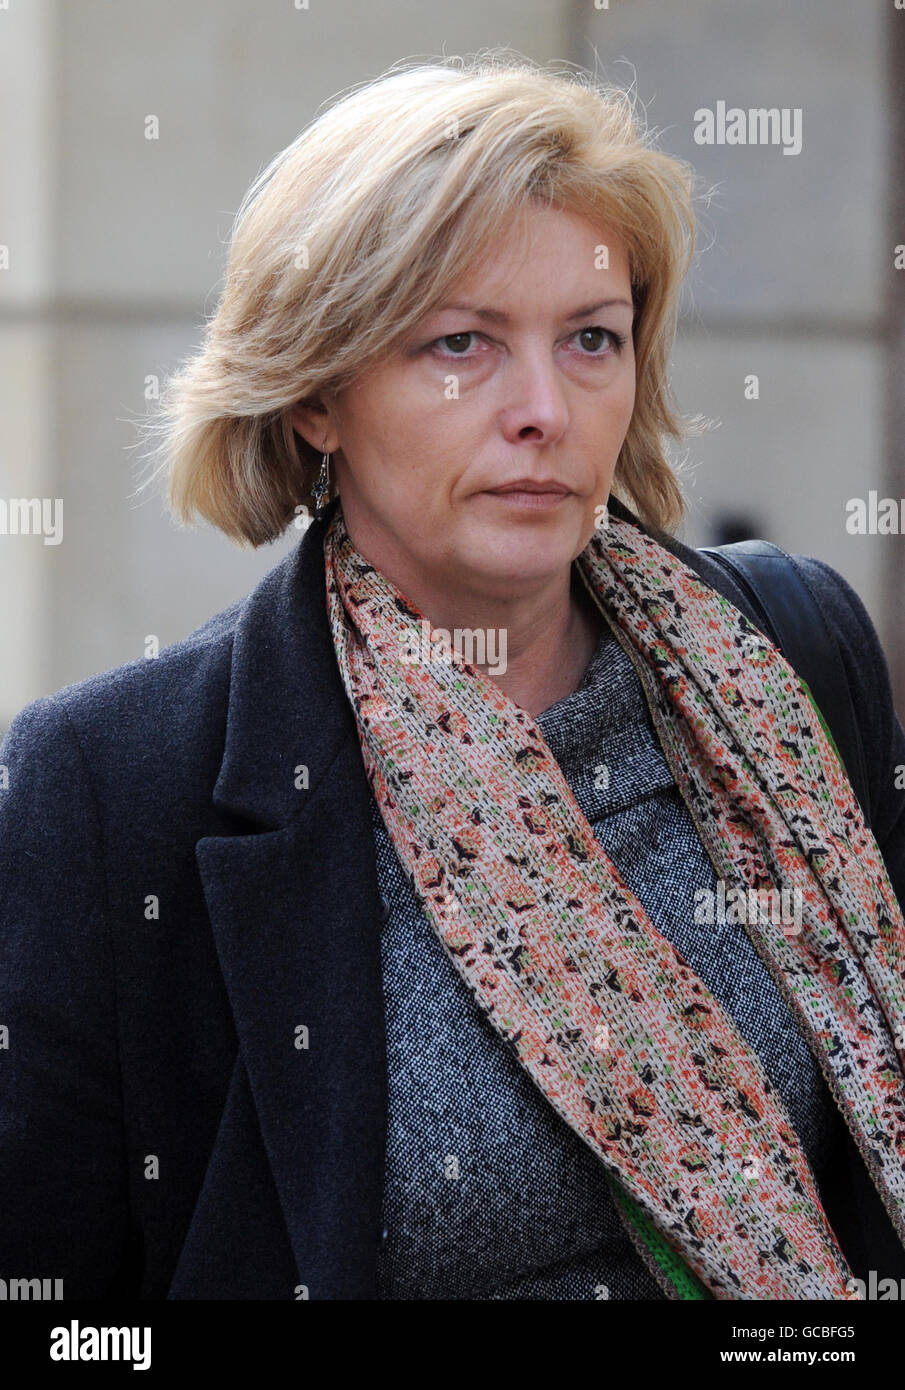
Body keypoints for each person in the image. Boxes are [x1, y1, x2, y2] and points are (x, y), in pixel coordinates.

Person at [2, 52, 905, 1302]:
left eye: (591, 338)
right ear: (319, 394)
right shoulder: (111, 787)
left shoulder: (790, 652)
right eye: (459, 345)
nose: (543, 408)